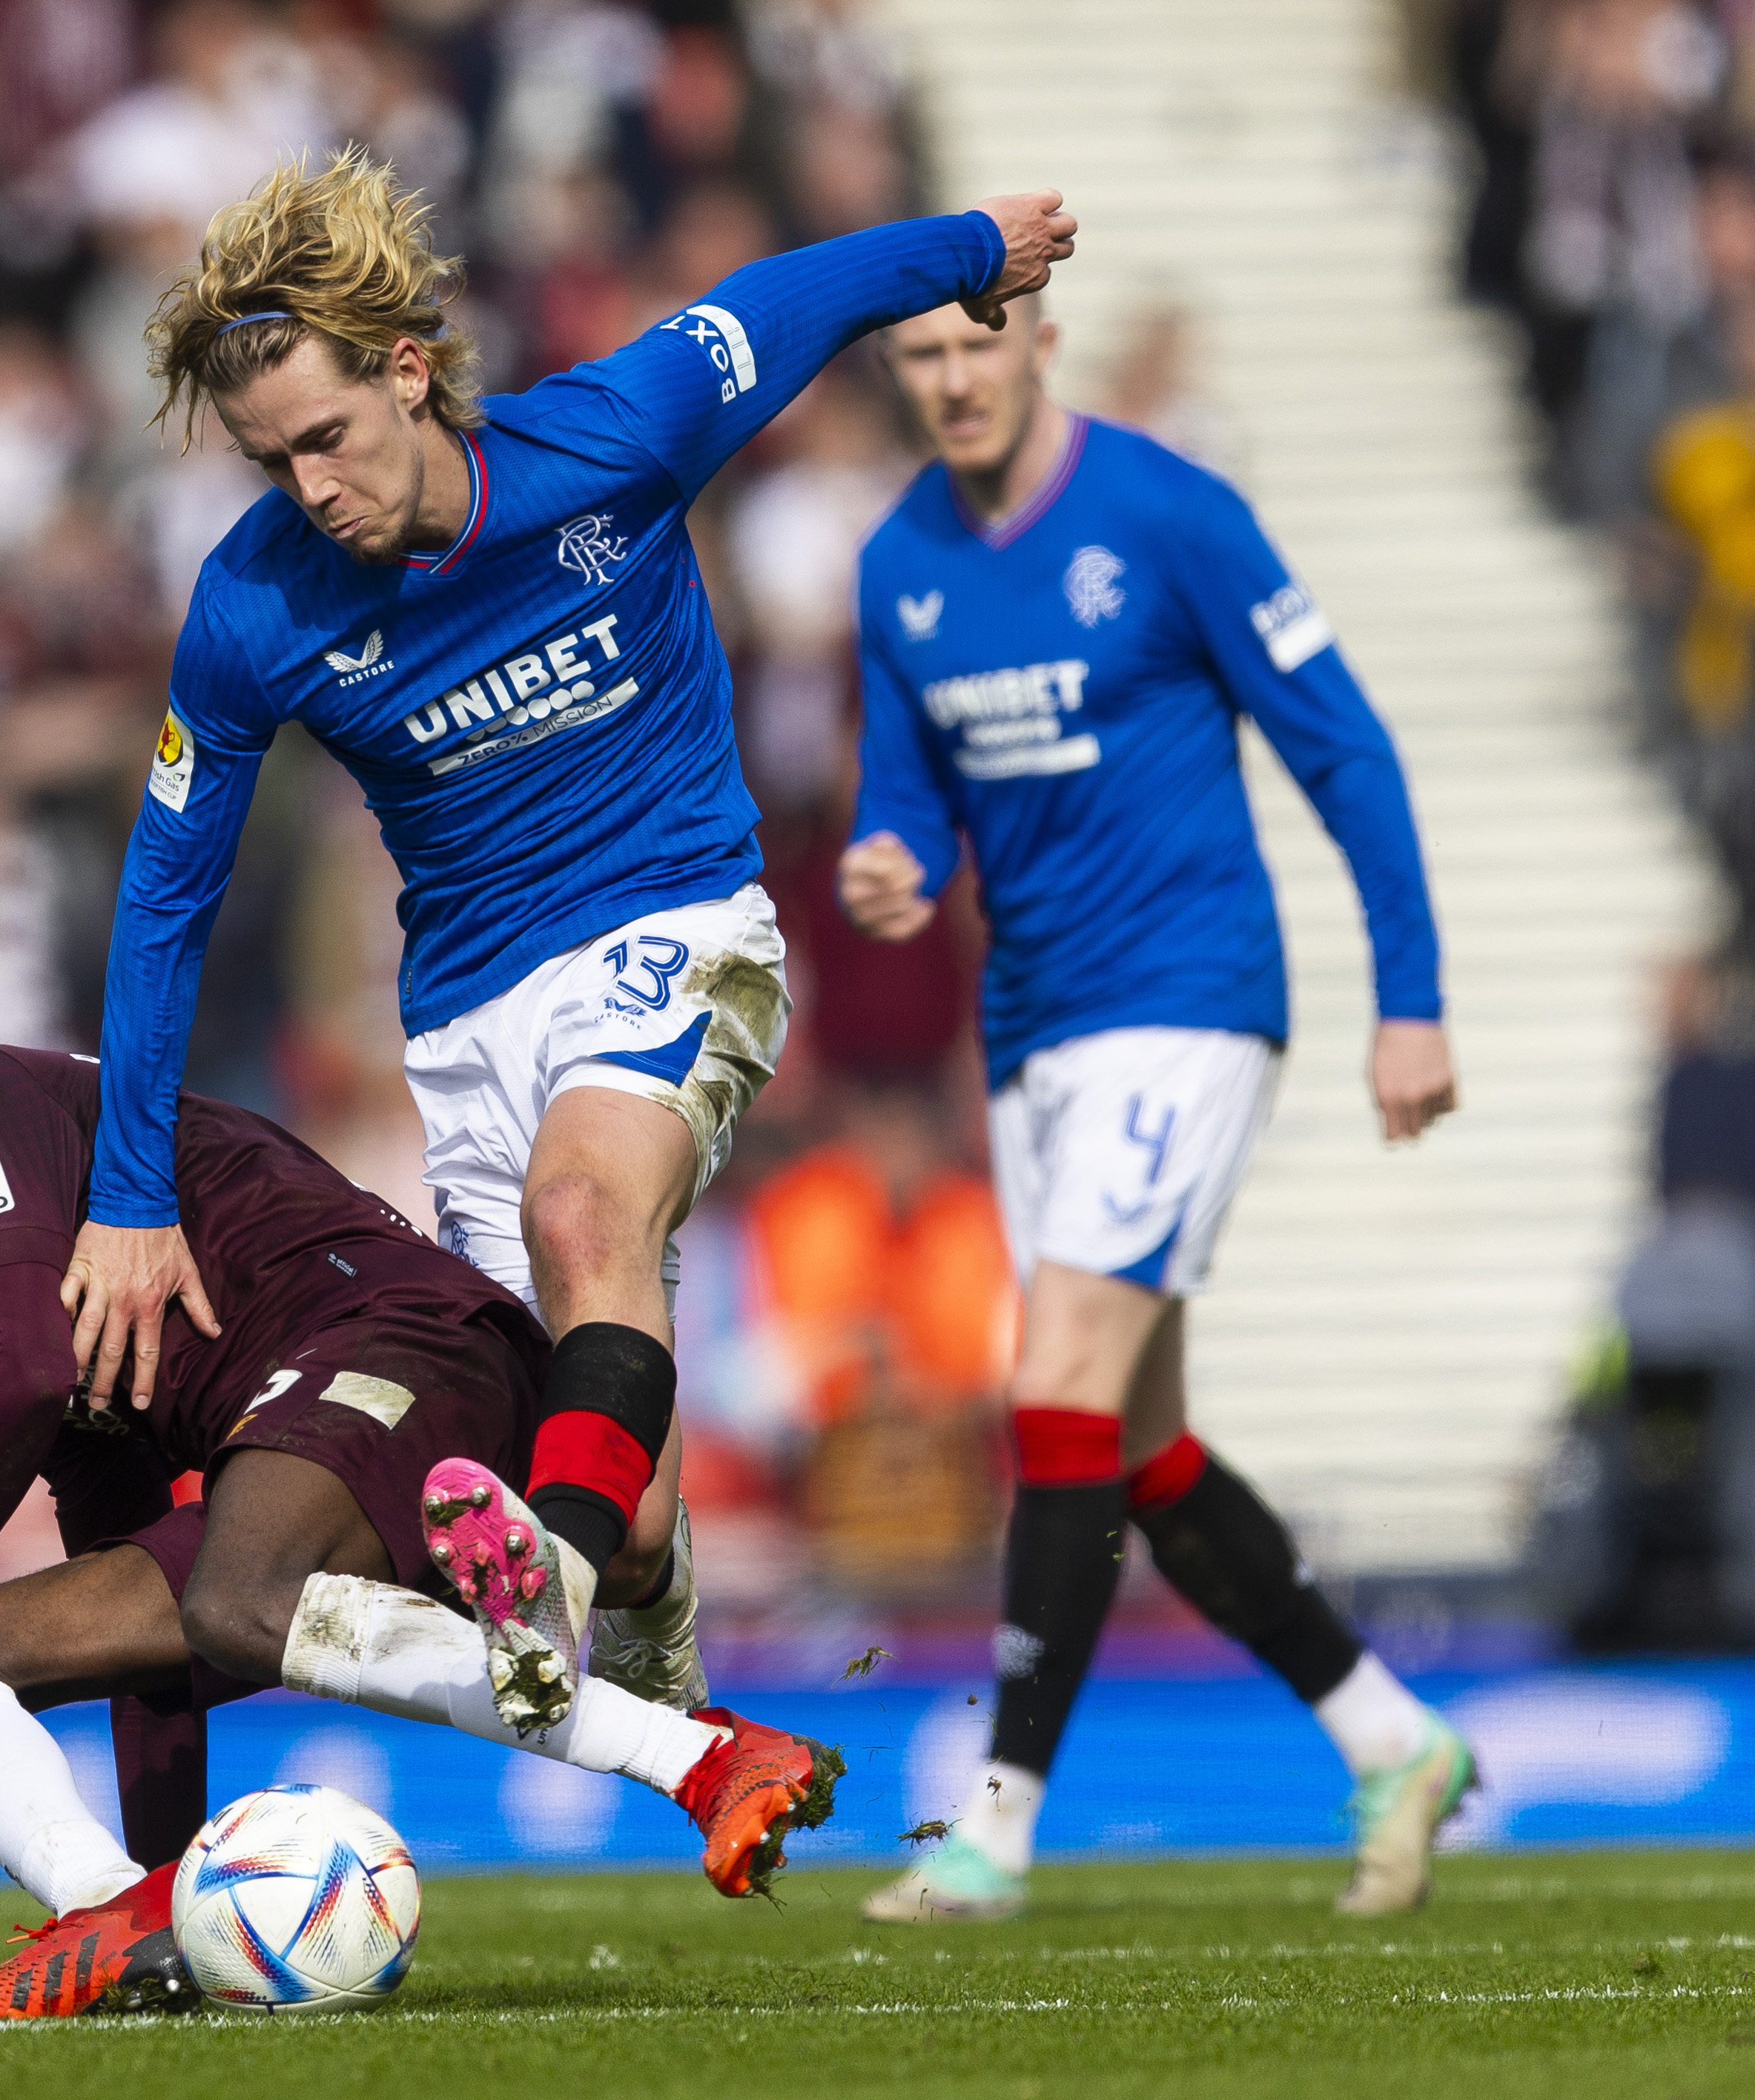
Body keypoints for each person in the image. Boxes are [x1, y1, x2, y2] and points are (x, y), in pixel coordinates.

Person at [67, 146, 1077, 1728]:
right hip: (470, 1022)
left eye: (327, 438)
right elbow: (164, 892)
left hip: (674, 921)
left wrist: (965, 248)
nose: (311, 490)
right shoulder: (252, 611)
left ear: (408, 372)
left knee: (579, 1206)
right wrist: (125, 1194)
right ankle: (645, 1607)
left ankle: (553, 1565)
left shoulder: (608, 440)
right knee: (623, 1465)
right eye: (275, 465)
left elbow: (774, 308)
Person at [0, 1048, 842, 2022]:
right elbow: (140, 1653)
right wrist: (169, 1895)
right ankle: (111, 1912)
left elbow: (22, 1380)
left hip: (395, 1333)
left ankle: (698, 1756)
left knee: (220, 1597)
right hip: (315, 1442)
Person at [838, 298, 1473, 1923]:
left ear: (1040, 338)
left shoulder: (1170, 515)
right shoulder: (898, 562)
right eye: (920, 357)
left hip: (1187, 999)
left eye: (980, 346)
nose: (955, 379)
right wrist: (893, 859)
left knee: (1048, 1380)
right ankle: (1390, 1739)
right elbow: (910, 790)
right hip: (1032, 1032)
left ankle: (993, 1825)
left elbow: (1343, 747)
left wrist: (1408, 996)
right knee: (1131, 1443)